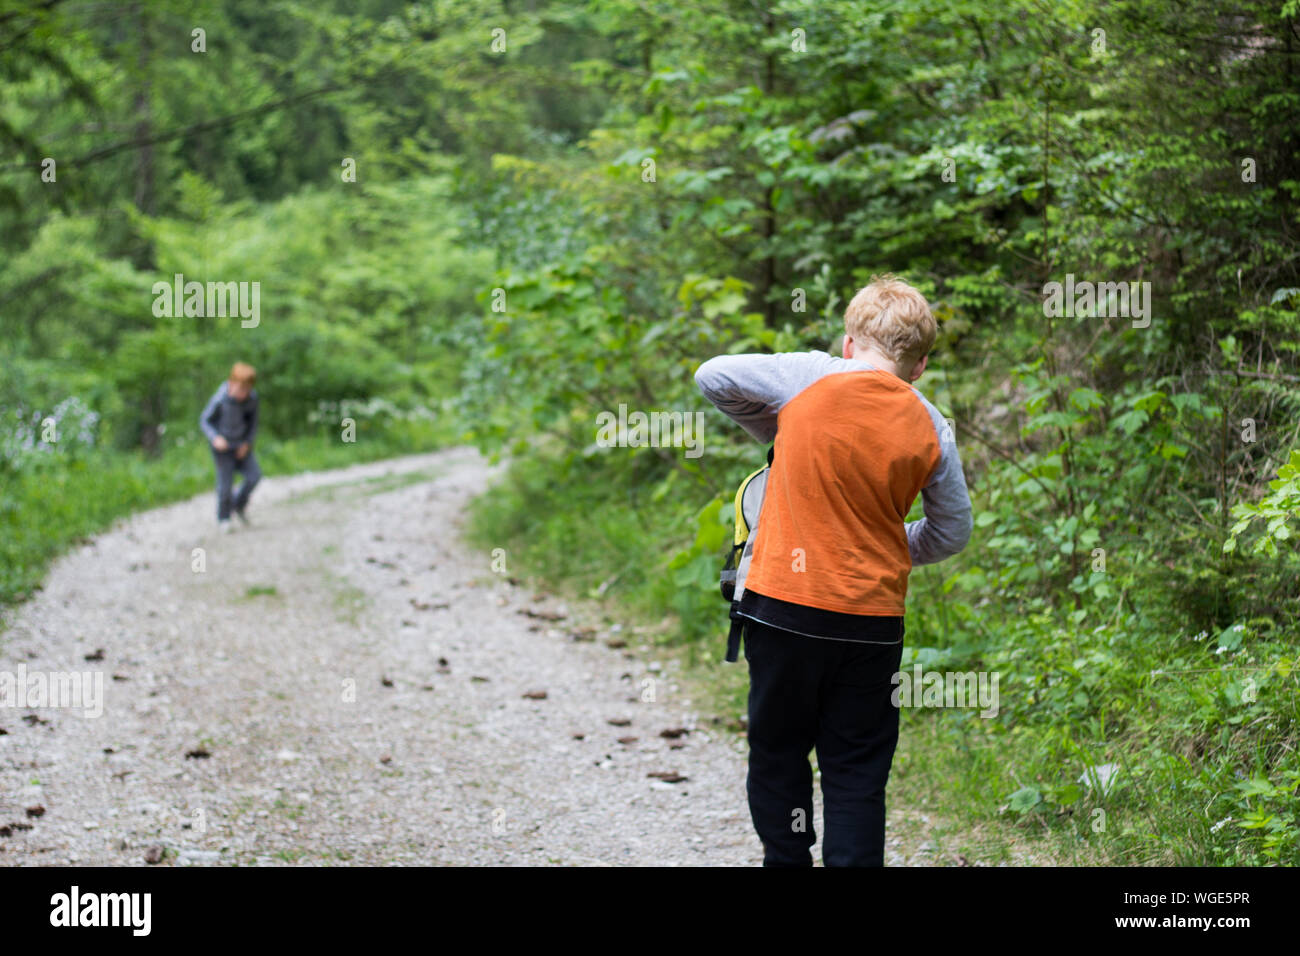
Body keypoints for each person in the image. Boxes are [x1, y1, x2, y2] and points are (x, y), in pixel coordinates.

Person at [694, 274, 972, 867]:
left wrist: (782, 429)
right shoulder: (930, 422)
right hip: (870, 623)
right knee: (856, 768)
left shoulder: (810, 376)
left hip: (781, 608)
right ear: (919, 366)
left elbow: (713, 375)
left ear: (849, 343)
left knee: (779, 750)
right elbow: (953, 533)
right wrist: (884, 543)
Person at [199, 362, 262, 533]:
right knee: (225, 485)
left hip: (241, 446)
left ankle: (238, 505)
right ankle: (224, 517)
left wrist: (247, 443)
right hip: (223, 448)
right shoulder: (220, 399)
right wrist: (215, 438)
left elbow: (252, 425)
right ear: (231, 383)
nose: (244, 394)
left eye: (247, 390)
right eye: (241, 390)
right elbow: (205, 420)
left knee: (254, 476)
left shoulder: (252, 400)